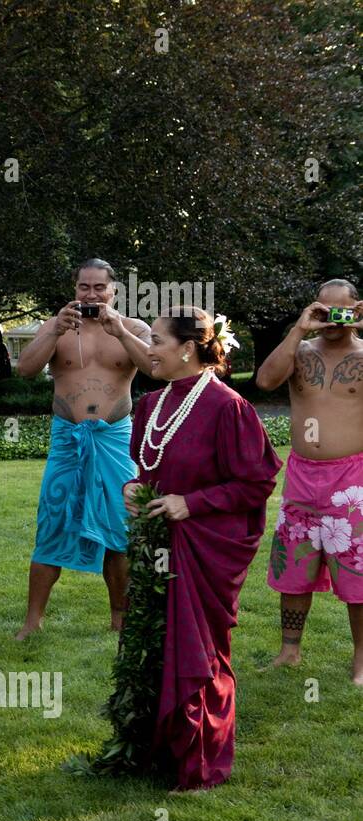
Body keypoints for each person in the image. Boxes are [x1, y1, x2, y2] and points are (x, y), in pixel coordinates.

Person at [123, 305, 280, 791]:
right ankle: (151, 748)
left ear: (187, 348)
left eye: (156, 341)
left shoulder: (227, 406)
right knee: (153, 642)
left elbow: (256, 482)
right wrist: (135, 488)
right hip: (156, 545)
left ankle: (199, 754)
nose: (147, 350)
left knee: (198, 649)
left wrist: (192, 503)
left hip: (205, 548)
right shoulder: (150, 405)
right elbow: (146, 466)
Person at [14, 258, 153, 640]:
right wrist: (53, 330)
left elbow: (157, 368)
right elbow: (25, 369)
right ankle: (32, 621)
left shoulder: (134, 328)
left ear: (113, 291)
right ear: (74, 288)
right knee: (53, 522)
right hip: (68, 439)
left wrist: (121, 331)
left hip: (115, 440)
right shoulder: (56, 326)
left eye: (98, 288)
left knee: (120, 528)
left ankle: (119, 619)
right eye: (83, 287)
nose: (90, 295)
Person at [255, 280, 363, 682]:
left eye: (343, 310)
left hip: (353, 479)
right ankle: (289, 651)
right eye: (325, 308)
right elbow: (264, 381)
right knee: (294, 566)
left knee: (358, 572)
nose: (334, 317)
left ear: (357, 309)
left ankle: (361, 660)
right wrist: (299, 329)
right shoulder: (299, 352)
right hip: (302, 475)